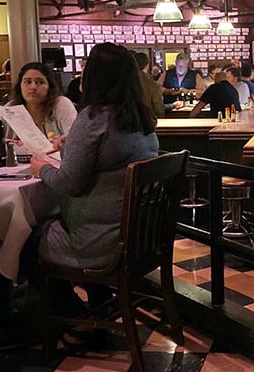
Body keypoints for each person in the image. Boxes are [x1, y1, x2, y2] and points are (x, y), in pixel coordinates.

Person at [29, 43, 159, 330]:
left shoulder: (92, 118)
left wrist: (42, 169)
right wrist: (70, 143)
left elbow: (69, 183)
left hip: (98, 242)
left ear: (94, 76)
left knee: (26, 240)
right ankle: (100, 302)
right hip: (138, 238)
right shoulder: (141, 117)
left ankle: (76, 318)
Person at [0, 61, 76, 152]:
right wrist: (6, 145)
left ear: (49, 86)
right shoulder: (11, 108)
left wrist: (18, 147)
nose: (33, 87)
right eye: (27, 82)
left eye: (40, 82)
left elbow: (76, 141)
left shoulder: (61, 104)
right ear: (20, 86)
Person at [134, 51, 164, 120]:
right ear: (147, 66)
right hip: (148, 124)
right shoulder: (152, 85)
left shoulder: (124, 82)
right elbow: (159, 111)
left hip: (128, 125)